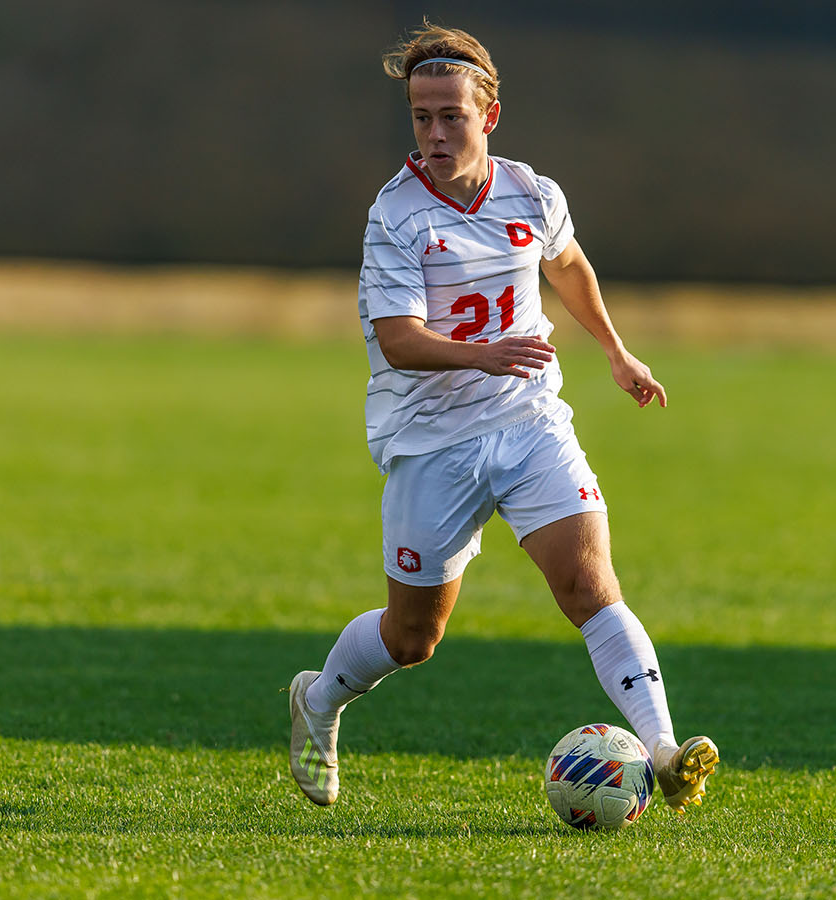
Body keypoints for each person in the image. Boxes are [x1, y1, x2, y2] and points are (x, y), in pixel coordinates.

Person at [288, 22, 717, 813]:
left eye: (451, 114)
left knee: (589, 584)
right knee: (412, 639)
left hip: (528, 420)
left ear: (490, 115)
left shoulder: (532, 191)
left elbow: (568, 264)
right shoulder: (396, 216)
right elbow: (399, 341)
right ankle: (318, 700)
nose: (435, 133)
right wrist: (479, 354)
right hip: (430, 439)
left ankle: (663, 750)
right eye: (422, 117)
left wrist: (618, 354)